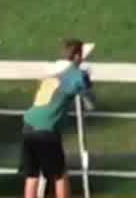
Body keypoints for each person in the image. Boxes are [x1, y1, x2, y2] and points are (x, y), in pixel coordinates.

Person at [20, 39, 93, 198]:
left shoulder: (53, 75)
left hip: (28, 125)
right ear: (77, 56)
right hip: (46, 129)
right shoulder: (75, 74)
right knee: (59, 174)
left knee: (32, 175)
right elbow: (89, 98)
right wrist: (87, 77)